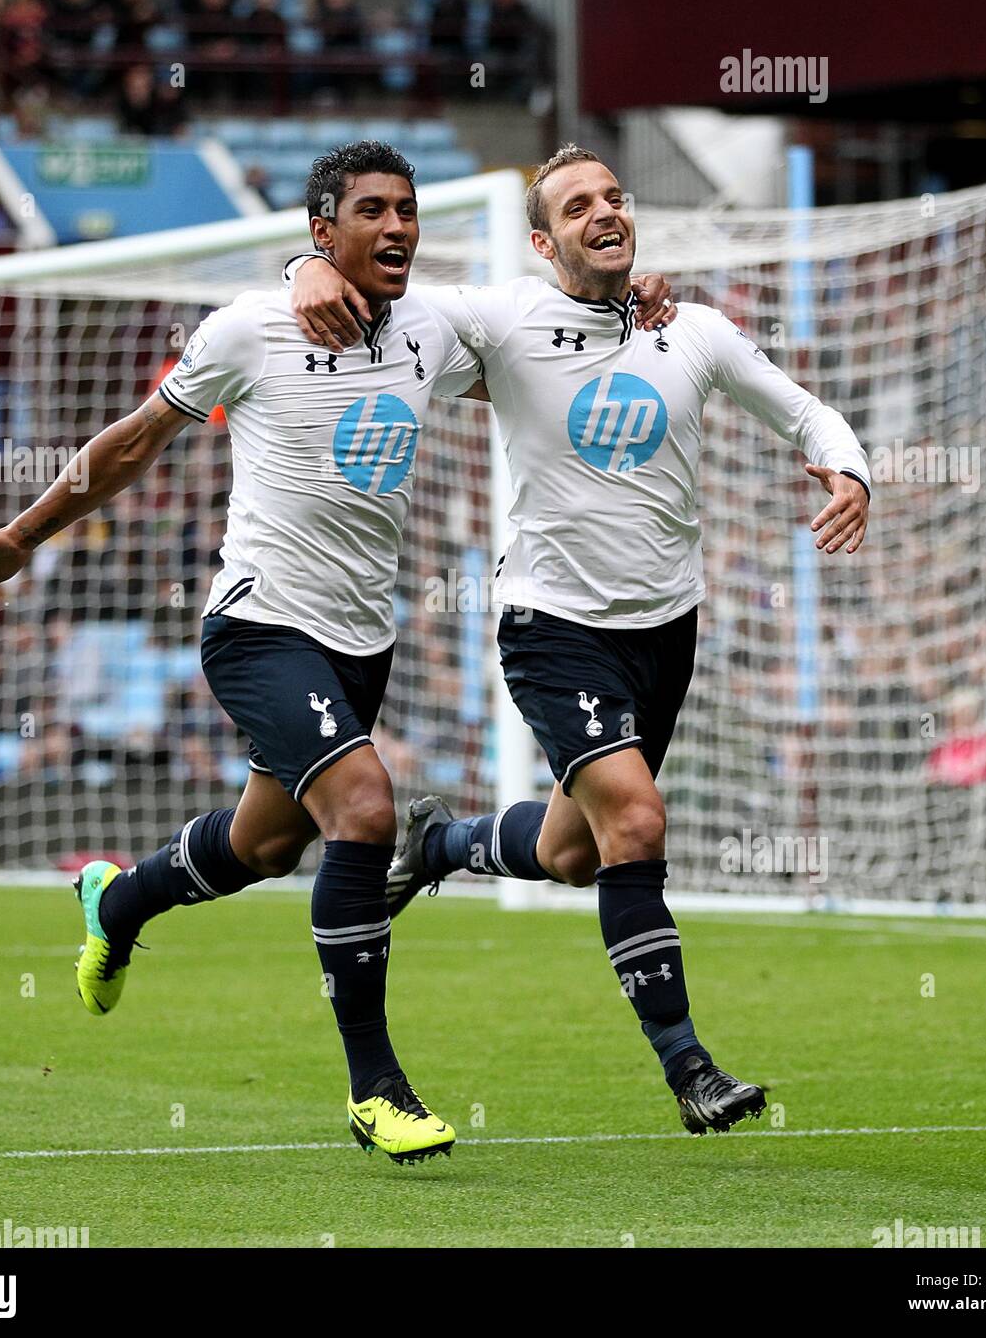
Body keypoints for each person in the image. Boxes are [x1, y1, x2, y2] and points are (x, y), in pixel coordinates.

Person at [286, 143, 872, 1138]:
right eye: (576, 204)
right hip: (553, 629)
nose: (602, 211)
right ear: (542, 240)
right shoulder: (504, 319)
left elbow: (803, 413)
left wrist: (849, 470)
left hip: (664, 634)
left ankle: (442, 841)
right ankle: (689, 1069)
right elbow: (380, 297)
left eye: (612, 197)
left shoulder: (692, 330)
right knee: (635, 824)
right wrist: (305, 268)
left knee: (571, 851)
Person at [0, 142, 488, 1165]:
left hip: (362, 640)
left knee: (265, 846)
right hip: (259, 624)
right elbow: (137, 441)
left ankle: (118, 898)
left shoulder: (436, 329)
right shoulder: (250, 327)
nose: (399, 226)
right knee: (362, 810)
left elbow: (543, 345)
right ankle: (377, 1091)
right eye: (371, 210)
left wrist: (637, 306)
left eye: (407, 208)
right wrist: (22, 534)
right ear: (322, 230)